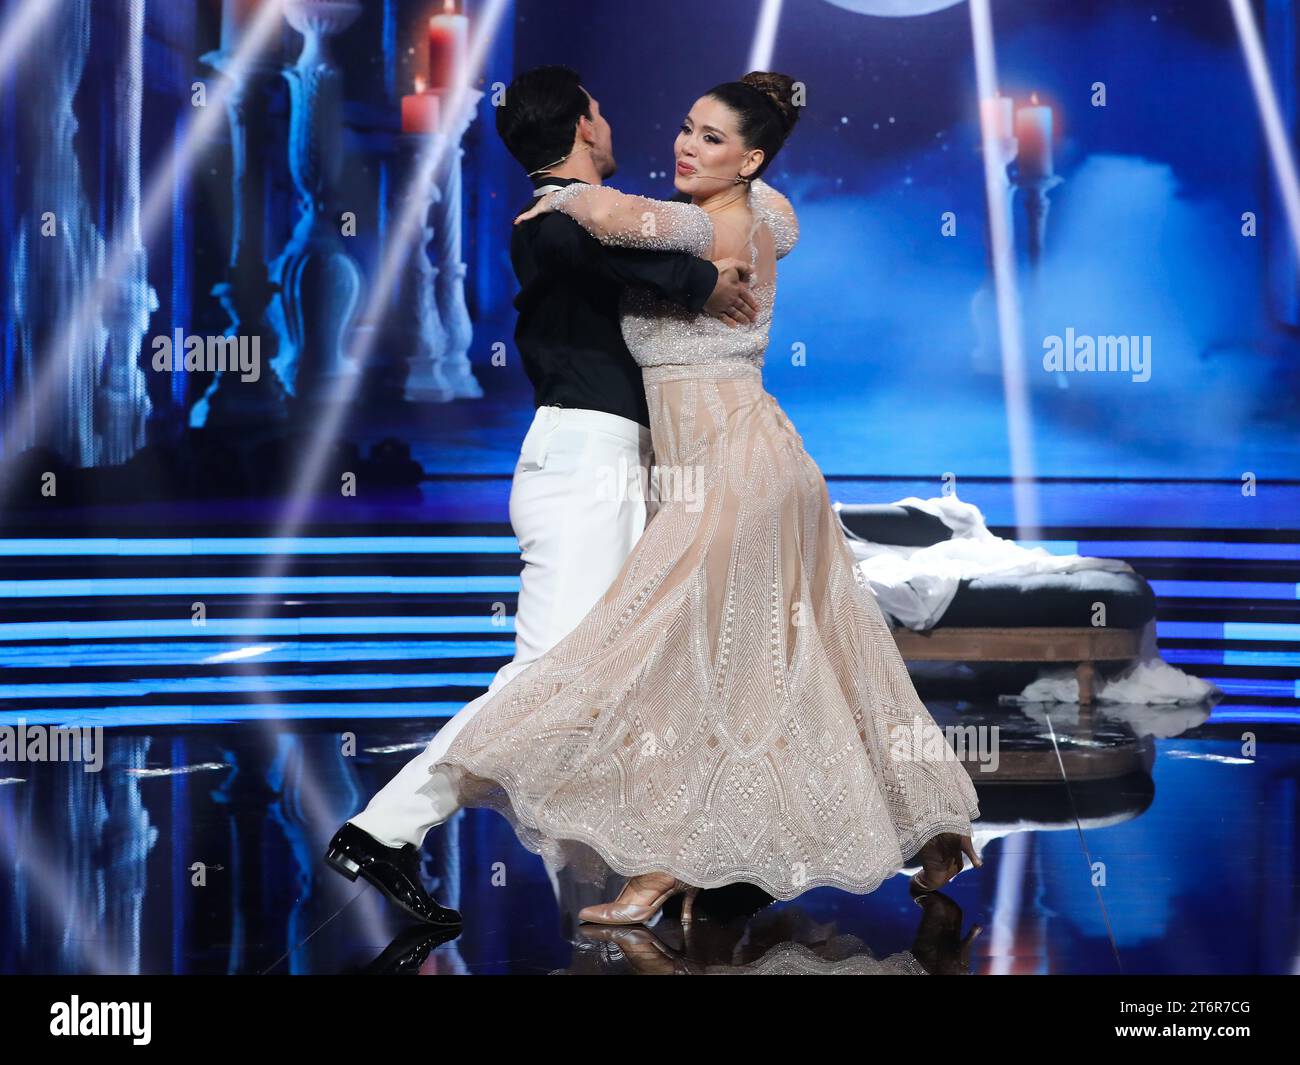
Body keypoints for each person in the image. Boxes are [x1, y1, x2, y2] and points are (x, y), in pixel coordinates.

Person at [414, 70, 983, 926]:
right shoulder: (759, 213)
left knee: (686, 662)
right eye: (686, 127)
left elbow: (603, 212)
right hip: (745, 461)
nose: (686, 146)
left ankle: (661, 872)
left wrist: (553, 200)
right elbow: (774, 214)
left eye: (712, 139)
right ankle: (934, 830)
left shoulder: (693, 222)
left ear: (748, 157)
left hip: (733, 468)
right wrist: (750, 156)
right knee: (805, 660)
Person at [324, 66, 760, 927]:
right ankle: (382, 829)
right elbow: (597, 251)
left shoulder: (586, 215)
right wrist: (702, 283)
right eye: (599, 110)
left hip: (613, 460)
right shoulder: (555, 217)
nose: (611, 119)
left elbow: (640, 245)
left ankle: (682, 855)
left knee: (630, 669)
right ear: (579, 128)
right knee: (545, 679)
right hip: (582, 462)